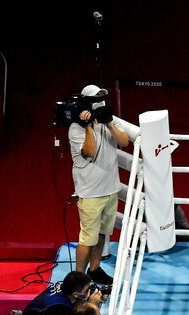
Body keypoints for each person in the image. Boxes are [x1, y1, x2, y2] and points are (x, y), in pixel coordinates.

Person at [69, 85, 129, 285]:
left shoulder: (105, 123)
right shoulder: (76, 128)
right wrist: (87, 126)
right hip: (91, 193)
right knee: (88, 238)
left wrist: (110, 123)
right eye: (96, 98)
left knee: (103, 233)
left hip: (111, 189)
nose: (100, 102)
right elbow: (91, 151)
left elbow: (124, 142)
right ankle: (79, 278)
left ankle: (94, 269)